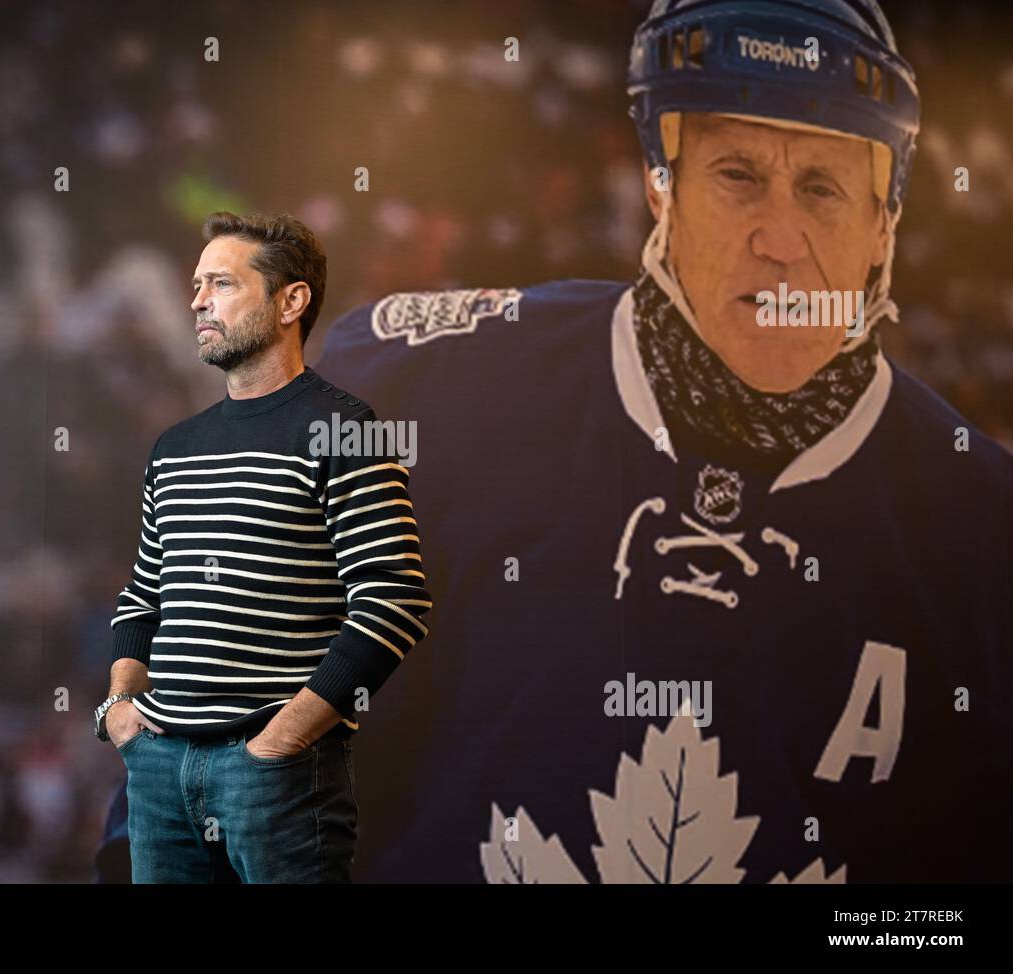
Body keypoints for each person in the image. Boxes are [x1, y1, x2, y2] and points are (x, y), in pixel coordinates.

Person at [302, 0, 1011, 883]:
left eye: (822, 187)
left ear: (885, 222)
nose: (780, 238)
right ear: (659, 184)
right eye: (738, 176)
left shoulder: (981, 530)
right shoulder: (429, 396)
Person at [92, 211, 434, 883]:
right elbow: (144, 592)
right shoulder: (175, 447)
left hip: (275, 775)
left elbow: (395, 598)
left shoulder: (345, 428)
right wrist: (120, 710)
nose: (196, 300)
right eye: (196, 284)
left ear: (292, 300)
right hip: (159, 769)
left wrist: (281, 740)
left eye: (220, 282)